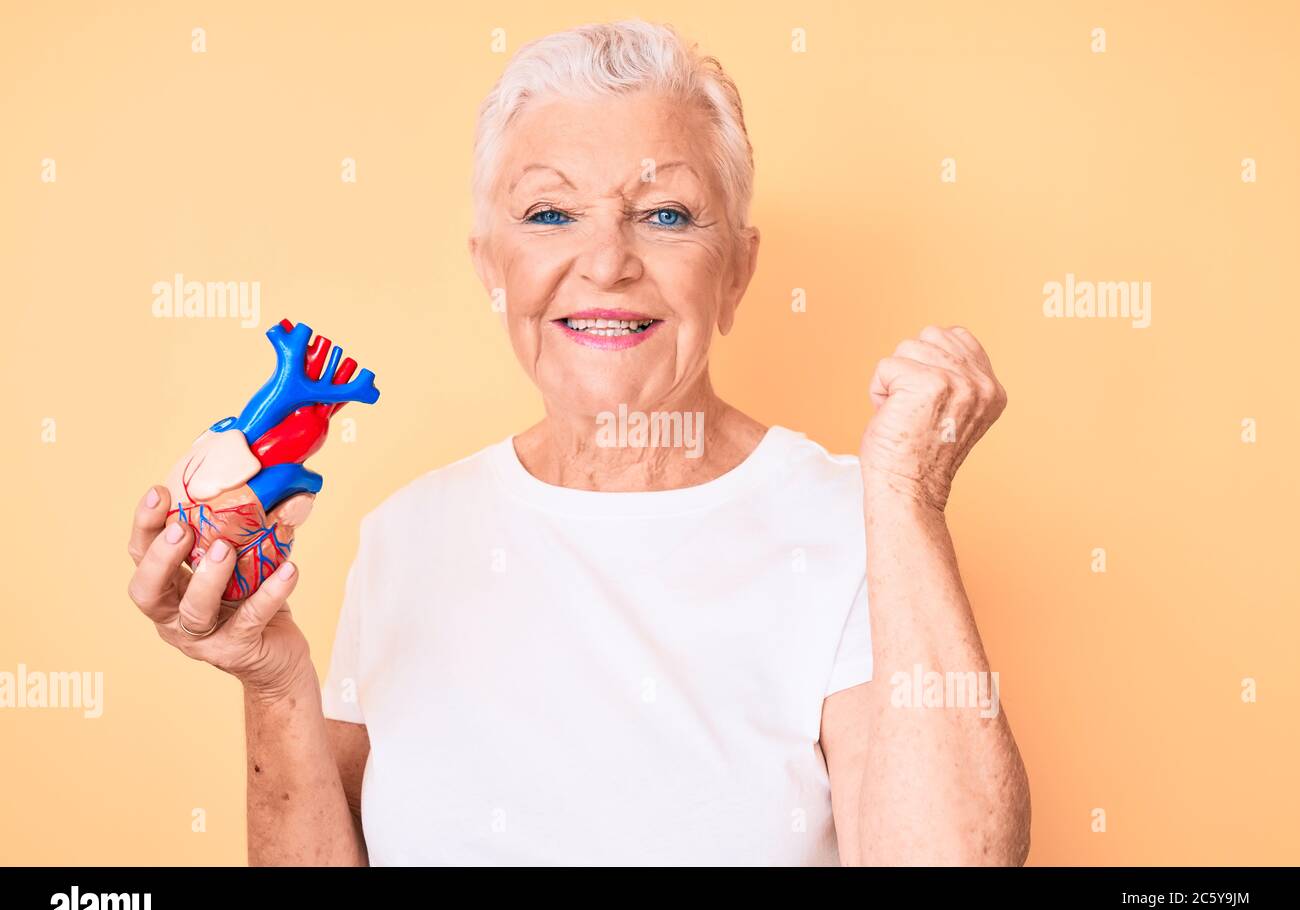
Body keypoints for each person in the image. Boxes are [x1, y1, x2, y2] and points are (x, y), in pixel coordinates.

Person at [127, 18, 1029, 866]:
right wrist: (276, 684)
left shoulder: (859, 526)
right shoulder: (408, 534)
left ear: (739, 271)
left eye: (666, 214)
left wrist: (908, 495)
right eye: (550, 215)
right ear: (492, 267)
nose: (606, 262)